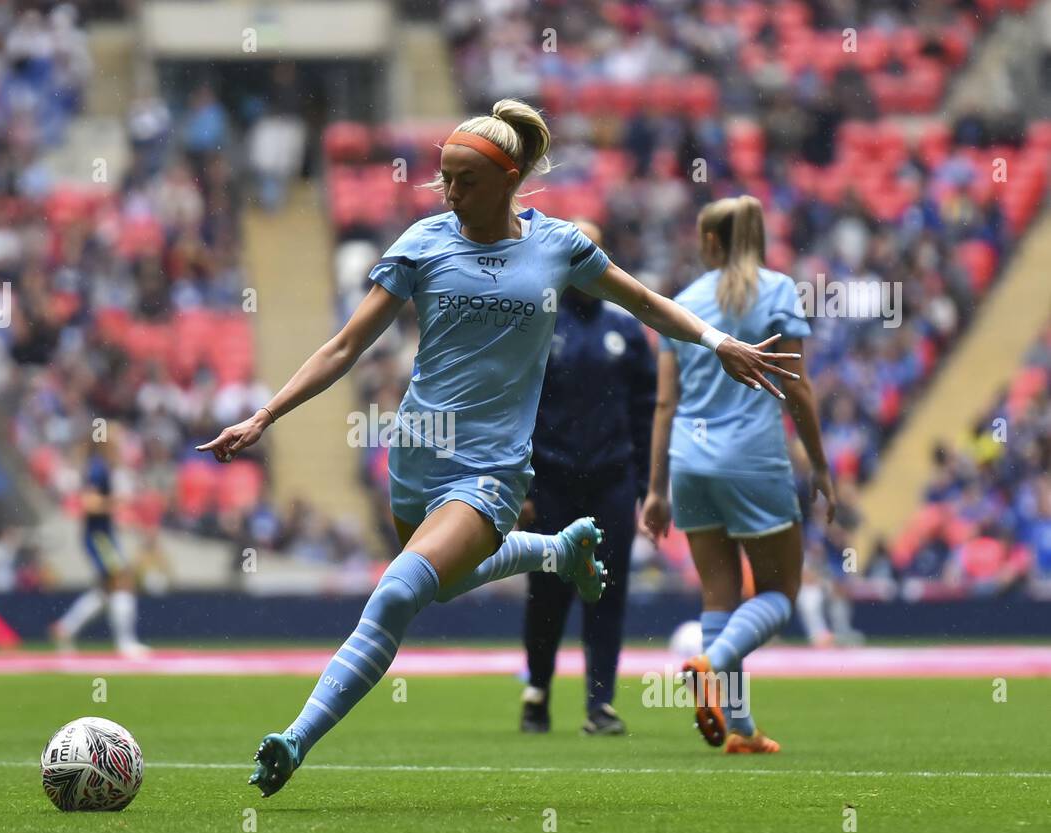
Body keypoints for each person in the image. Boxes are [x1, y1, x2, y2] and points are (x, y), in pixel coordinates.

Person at [199, 100, 797, 796]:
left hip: (491, 469)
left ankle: (295, 739)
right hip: (417, 456)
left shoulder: (559, 247)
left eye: (465, 182)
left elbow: (644, 303)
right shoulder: (422, 244)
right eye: (444, 180)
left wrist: (718, 342)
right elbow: (344, 345)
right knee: (443, 585)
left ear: (508, 180)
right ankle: (554, 551)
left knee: (398, 594)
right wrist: (265, 415)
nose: (450, 194)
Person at [640, 196, 833, 755]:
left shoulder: (682, 304)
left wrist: (656, 490)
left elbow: (664, 406)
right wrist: (819, 464)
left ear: (709, 242)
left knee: (719, 595)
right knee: (780, 592)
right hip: (752, 459)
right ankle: (711, 665)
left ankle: (742, 728)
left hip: (689, 462)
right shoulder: (776, 291)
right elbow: (795, 385)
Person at [518, 219, 656, 736]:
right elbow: (517, 413)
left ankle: (601, 703)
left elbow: (646, 411)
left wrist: (646, 486)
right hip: (550, 480)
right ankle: (538, 691)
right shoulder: (538, 324)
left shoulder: (624, 329)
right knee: (547, 590)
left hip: (610, 481)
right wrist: (523, 489)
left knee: (608, 590)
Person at [50, 426, 149, 658]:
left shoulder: (101, 467)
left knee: (106, 589)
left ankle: (65, 628)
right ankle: (125, 643)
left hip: (102, 533)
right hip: (99, 536)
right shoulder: (98, 468)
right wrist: (118, 502)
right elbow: (88, 503)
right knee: (122, 581)